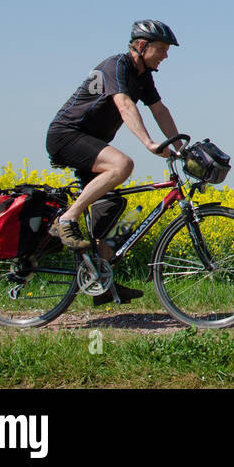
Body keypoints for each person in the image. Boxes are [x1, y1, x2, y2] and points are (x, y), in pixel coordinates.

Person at [45, 20, 184, 304]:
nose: (166, 56)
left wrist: (181, 149)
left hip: (90, 142)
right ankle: (67, 218)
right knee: (122, 165)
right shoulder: (115, 66)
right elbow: (124, 104)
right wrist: (149, 143)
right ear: (142, 46)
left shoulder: (143, 77)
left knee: (115, 207)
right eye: (162, 49)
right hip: (67, 135)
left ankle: (99, 277)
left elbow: (159, 109)